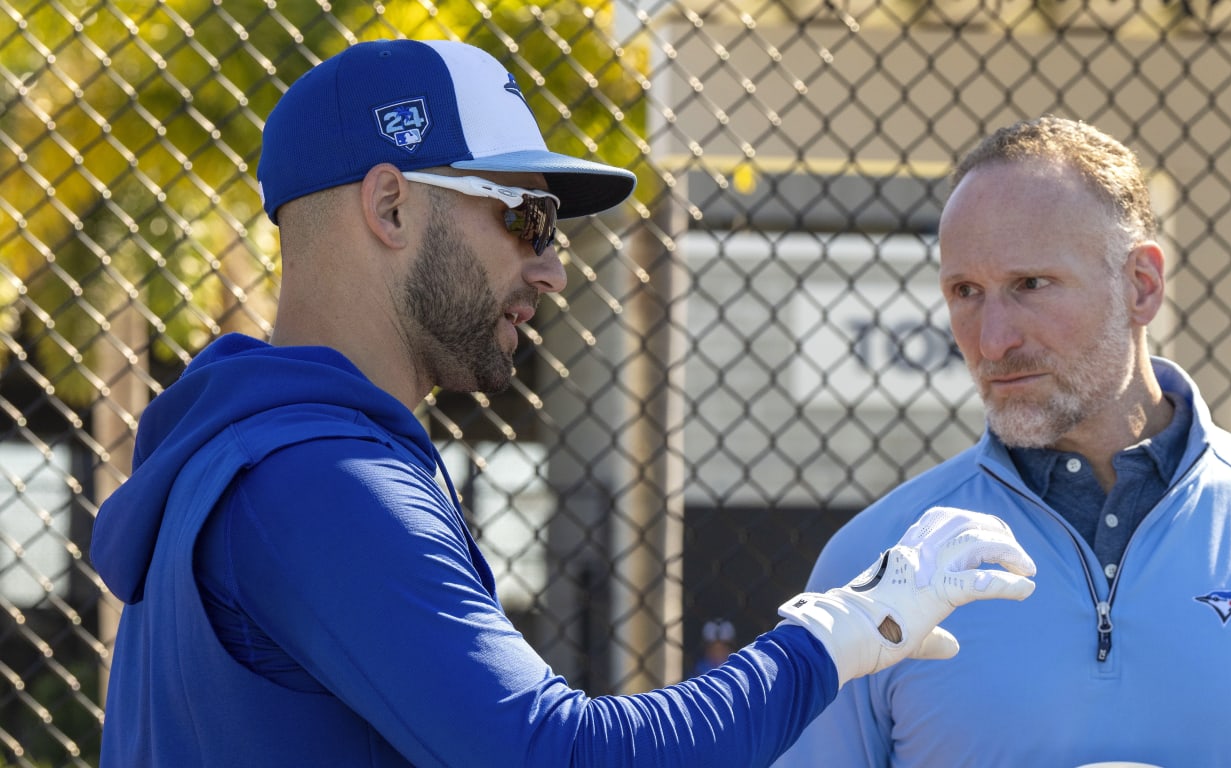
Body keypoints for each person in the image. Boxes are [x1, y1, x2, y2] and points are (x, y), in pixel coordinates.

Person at [87, 39, 1039, 768]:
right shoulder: (318, 479)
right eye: (524, 215)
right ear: (388, 208)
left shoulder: (251, 451)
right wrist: (835, 636)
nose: (551, 264)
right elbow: (561, 755)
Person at [773, 115, 1231, 767]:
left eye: (1031, 285)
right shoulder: (875, 564)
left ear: (1142, 285)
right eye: (965, 291)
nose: (992, 339)